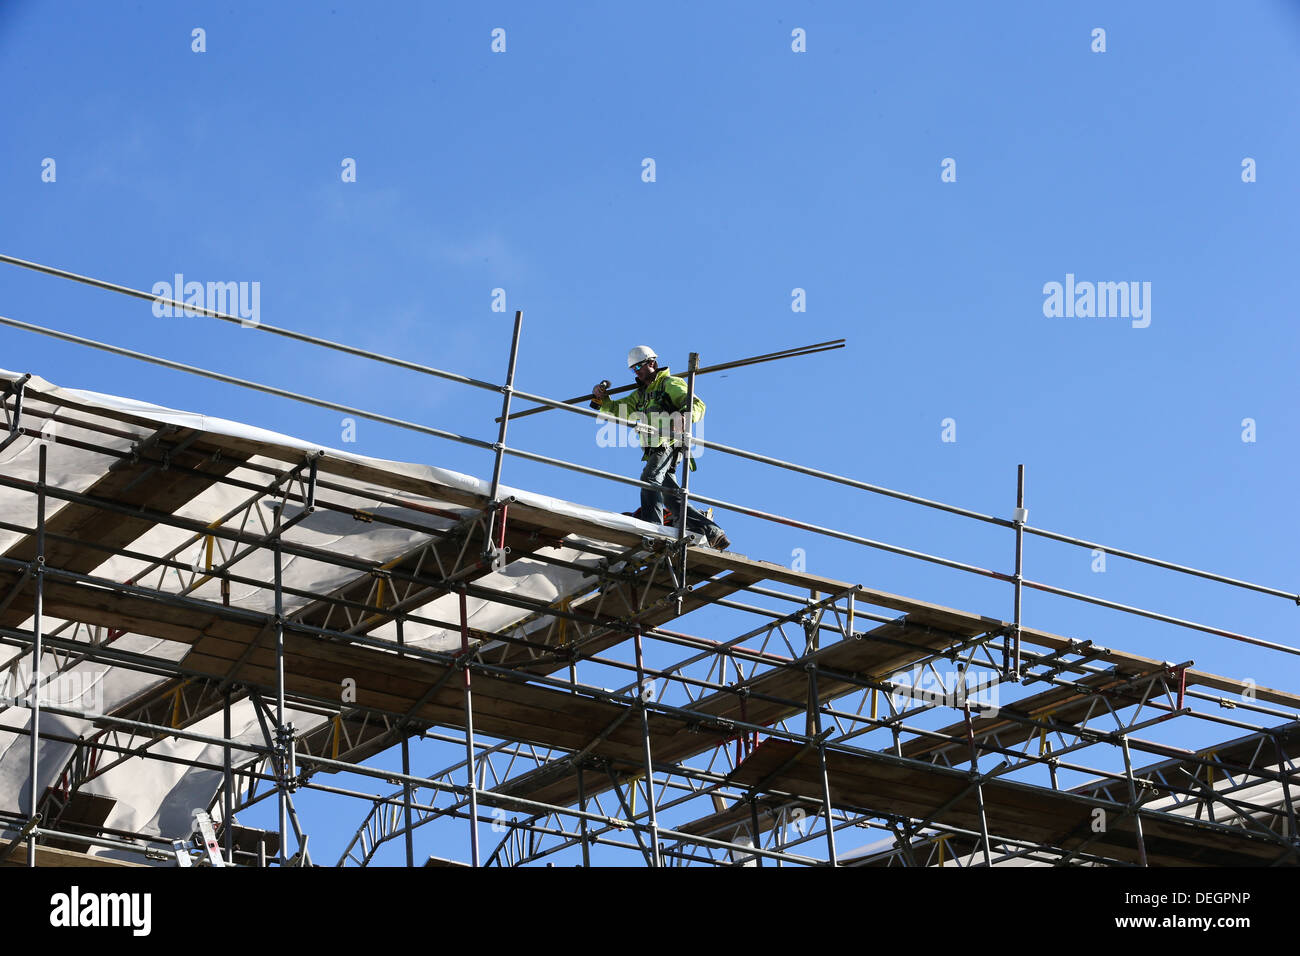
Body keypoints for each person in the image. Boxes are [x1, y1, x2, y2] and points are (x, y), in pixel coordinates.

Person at [592, 346, 731, 550]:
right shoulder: (639, 396)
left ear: (652, 363)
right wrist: (601, 398)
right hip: (654, 447)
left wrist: (685, 416)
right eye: (633, 369)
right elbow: (616, 410)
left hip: (667, 442)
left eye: (639, 366)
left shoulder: (669, 383)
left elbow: (697, 404)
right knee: (671, 497)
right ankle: (713, 532)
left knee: (649, 479)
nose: (637, 371)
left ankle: (654, 529)